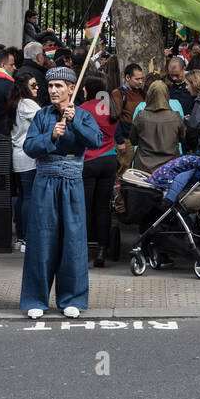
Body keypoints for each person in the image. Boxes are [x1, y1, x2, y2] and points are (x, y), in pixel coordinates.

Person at [20, 66, 103, 318]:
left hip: (72, 183)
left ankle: (72, 299)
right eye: (50, 85)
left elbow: (96, 141)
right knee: (41, 239)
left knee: (73, 241)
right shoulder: (42, 116)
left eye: (59, 86)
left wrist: (75, 119)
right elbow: (29, 147)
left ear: (71, 89)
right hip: (45, 182)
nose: (53, 90)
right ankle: (36, 298)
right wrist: (51, 136)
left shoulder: (84, 115)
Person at [78, 75, 118, 267]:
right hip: (109, 160)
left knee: (85, 206)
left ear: (89, 89)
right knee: (103, 207)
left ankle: (83, 248)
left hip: (89, 160)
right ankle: (102, 249)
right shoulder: (111, 107)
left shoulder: (83, 109)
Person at [9, 72, 41, 251]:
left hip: (18, 155)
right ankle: (26, 237)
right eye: (33, 85)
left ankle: (21, 236)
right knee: (28, 196)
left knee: (22, 197)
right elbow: (44, 121)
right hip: (27, 156)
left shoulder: (16, 103)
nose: (37, 88)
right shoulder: (27, 104)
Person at [130, 80, 185, 173]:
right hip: (170, 167)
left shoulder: (141, 116)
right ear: (167, 95)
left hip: (144, 167)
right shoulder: (176, 117)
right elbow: (182, 139)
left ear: (149, 95)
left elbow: (133, 140)